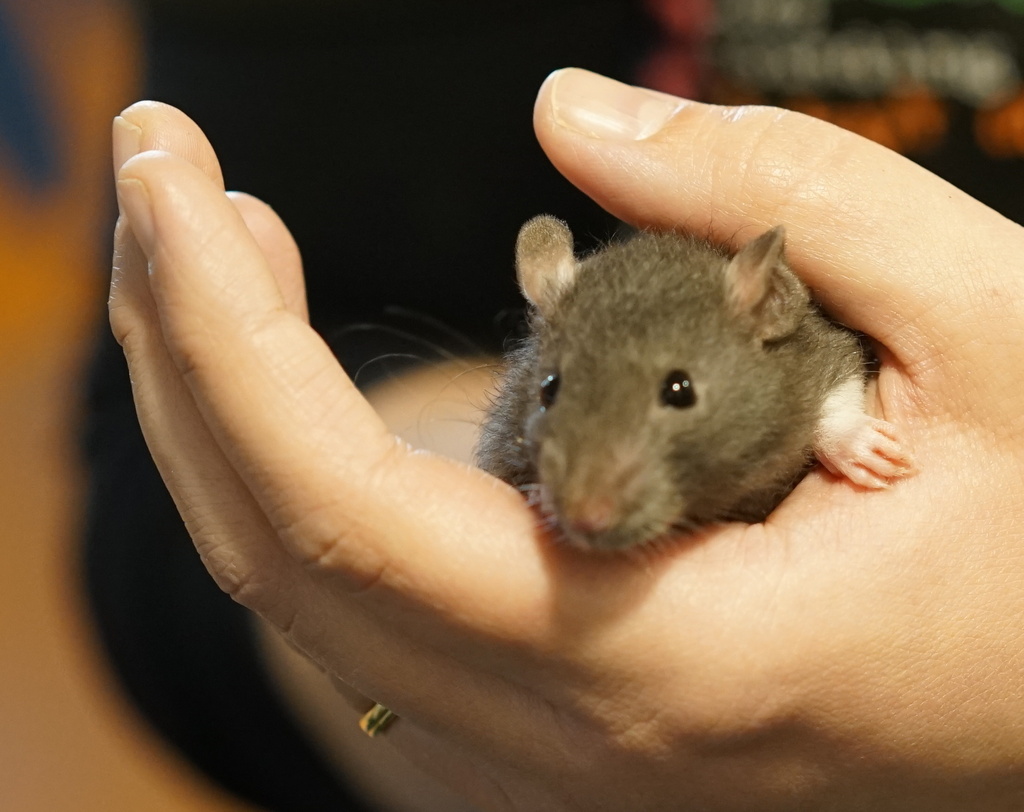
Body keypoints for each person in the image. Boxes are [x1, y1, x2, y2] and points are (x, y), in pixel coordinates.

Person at [108, 66, 1024, 811]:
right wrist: (400, 623)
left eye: (675, 393)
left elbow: (832, 372)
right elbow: (136, 537)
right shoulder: (529, 413)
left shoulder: (779, 344)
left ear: (766, 304)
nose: (586, 501)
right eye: (554, 388)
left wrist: (843, 431)